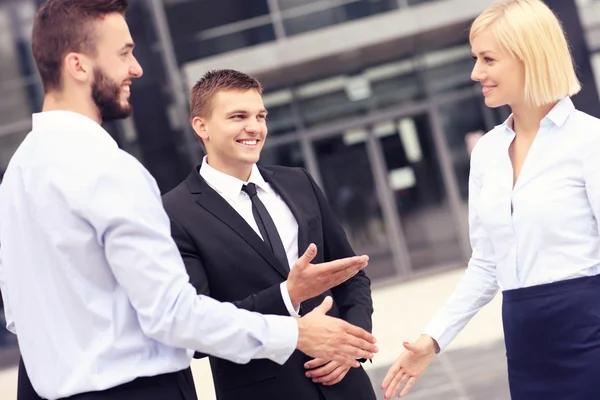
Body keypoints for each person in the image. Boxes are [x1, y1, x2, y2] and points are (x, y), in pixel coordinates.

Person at [0, 1, 379, 400]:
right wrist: (294, 329)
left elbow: (20, 317)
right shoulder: (110, 171)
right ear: (78, 66)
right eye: (125, 53)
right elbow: (175, 315)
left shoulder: (18, 174)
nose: (137, 68)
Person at [381, 0, 600, 399]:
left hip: (589, 331)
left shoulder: (589, 141)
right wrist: (433, 339)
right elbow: (486, 264)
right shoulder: (486, 152)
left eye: (488, 59)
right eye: (475, 58)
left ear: (528, 57)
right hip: (524, 339)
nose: (475, 72)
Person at [162, 69, 377, 400]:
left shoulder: (299, 182)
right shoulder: (174, 213)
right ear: (201, 126)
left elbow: (352, 276)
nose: (254, 127)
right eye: (238, 116)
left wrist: (352, 343)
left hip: (346, 386)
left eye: (260, 116)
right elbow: (197, 329)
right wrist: (286, 295)